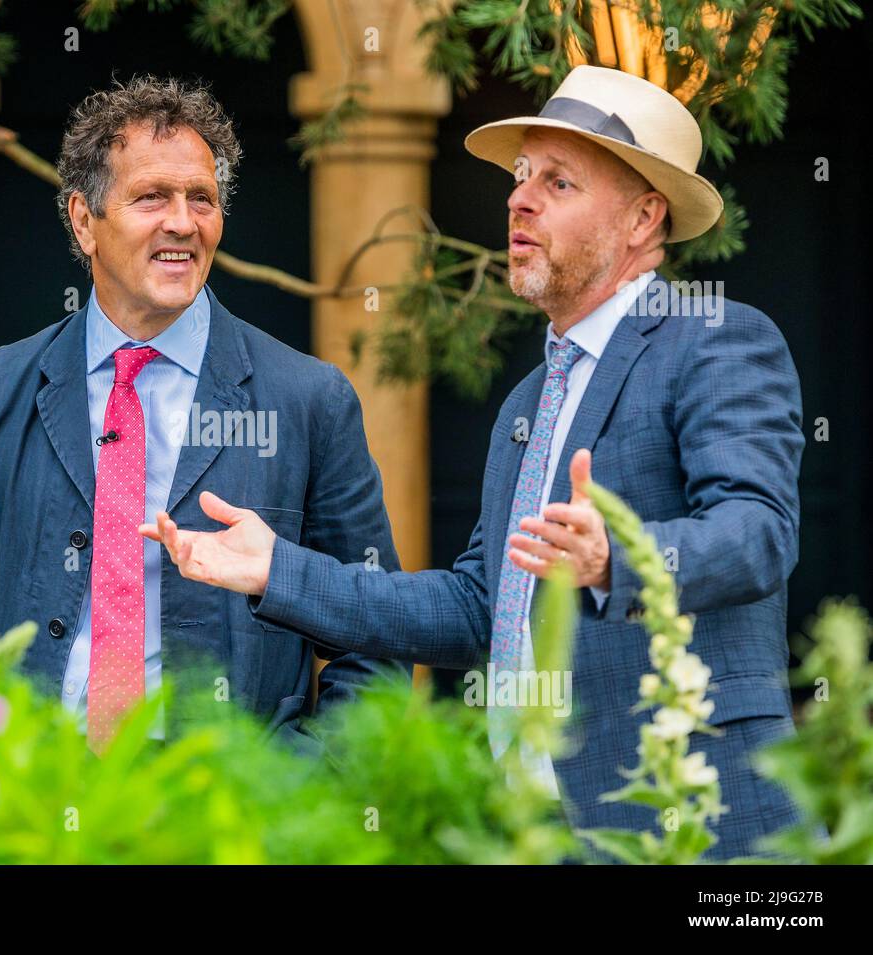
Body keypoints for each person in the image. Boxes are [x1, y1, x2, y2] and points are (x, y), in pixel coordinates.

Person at [142, 65, 806, 859]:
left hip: (694, 819)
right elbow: (474, 608)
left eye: (558, 183)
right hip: (536, 830)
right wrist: (276, 570)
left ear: (642, 218)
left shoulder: (716, 338)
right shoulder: (531, 400)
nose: (517, 200)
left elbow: (759, 531)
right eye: (522, 178)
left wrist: (615, 557)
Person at [0, 74, 403, 754]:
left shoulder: (308, 400)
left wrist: (306, 790)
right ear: (84, 221)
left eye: (201, 198)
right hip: (31, 808)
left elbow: (376, 638)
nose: (182, 221)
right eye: (152, 198)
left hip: (232, 818)